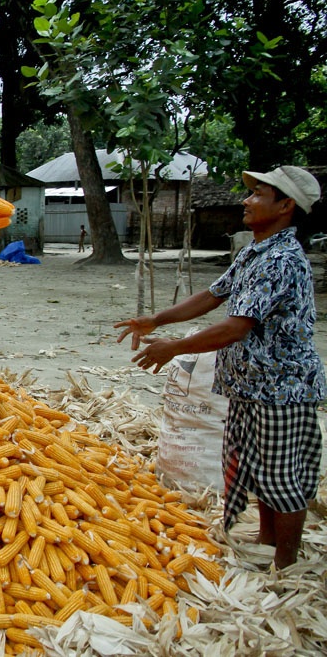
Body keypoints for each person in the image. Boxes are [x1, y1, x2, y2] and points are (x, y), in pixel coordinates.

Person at [114, 165, 324, 570]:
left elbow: (235, 327)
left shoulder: (281, 260)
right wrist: (155, 321)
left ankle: (285, 565)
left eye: (258, 194)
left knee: (283, 480)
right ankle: (265, 541)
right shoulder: (253, 251)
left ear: (285, 206)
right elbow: (212, 295)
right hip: (249, 384)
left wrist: (174, 347)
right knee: (258, 470)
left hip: (281, 387)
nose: (246, 200)